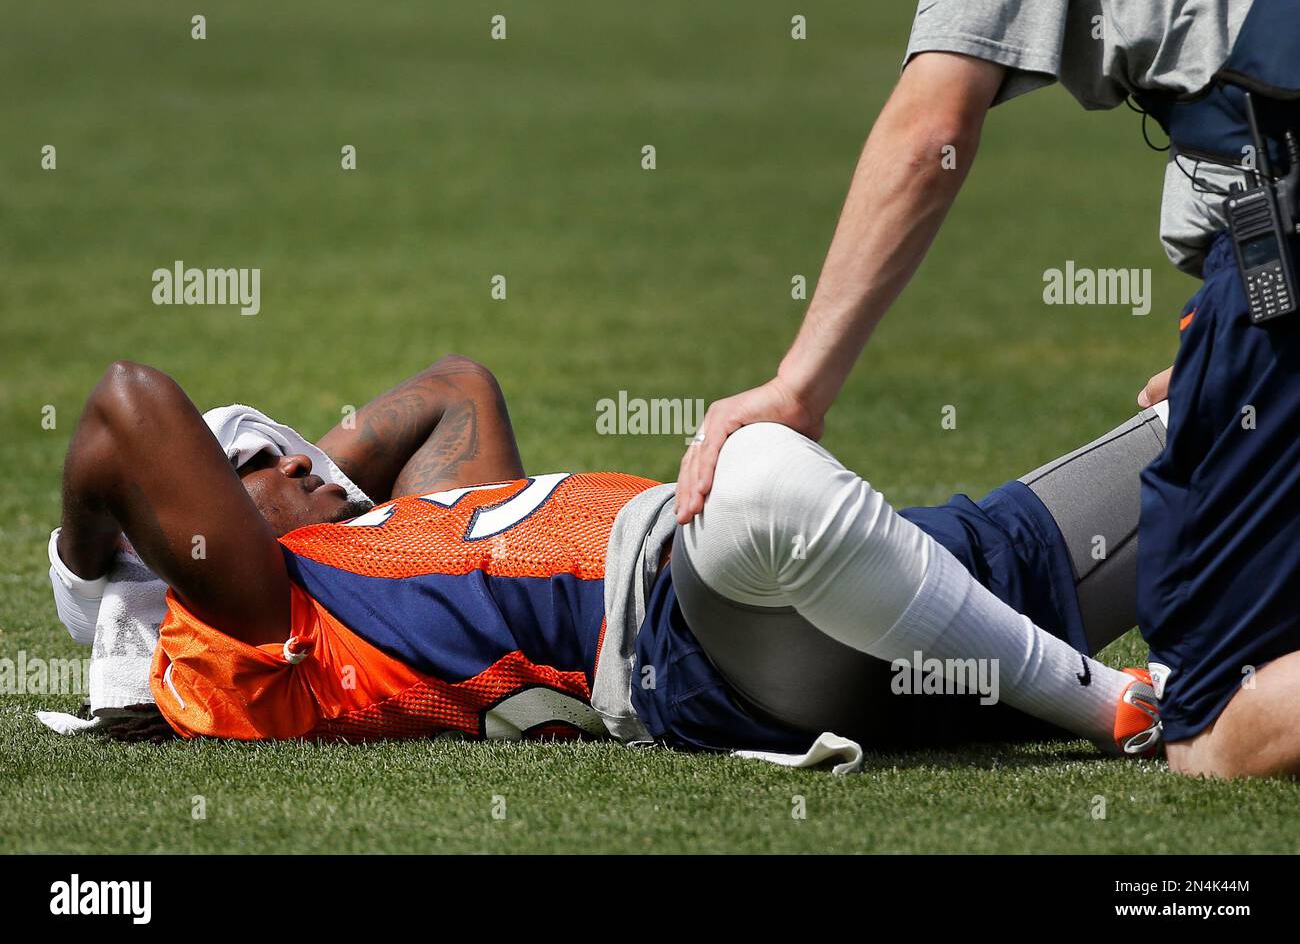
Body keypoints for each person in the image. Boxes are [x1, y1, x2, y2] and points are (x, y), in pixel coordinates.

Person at [675, 0, 1300, 778]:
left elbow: (931, 128)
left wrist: (798, 386)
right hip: (1264, 256)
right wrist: (1233, 342)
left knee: (1214, 722)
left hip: (1278, 231)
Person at [53, 357, 1161, 761]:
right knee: (755, 466)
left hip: (829, 577)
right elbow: (125, 404)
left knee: (1224, 423)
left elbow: (454, 388)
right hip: (703, 633)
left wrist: (316, 480)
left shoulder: (390, 541)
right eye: (249, 461)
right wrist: (91, 562)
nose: (293, 456)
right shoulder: (255, 626)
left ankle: (1167, 695)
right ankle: (1104, 702)